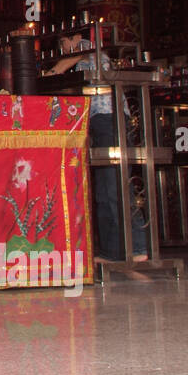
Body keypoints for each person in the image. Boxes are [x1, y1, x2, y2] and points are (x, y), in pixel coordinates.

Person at [44, 33, 148, 263]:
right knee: (103, 191)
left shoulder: (89, 49)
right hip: (99, 120)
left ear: (76, 37)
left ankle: (138, 246)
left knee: (115, 186)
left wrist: (50, 74)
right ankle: (112, 251)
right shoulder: (84, 56)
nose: (63, 48)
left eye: (63, 43)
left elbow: (64, 64)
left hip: (110, 119)